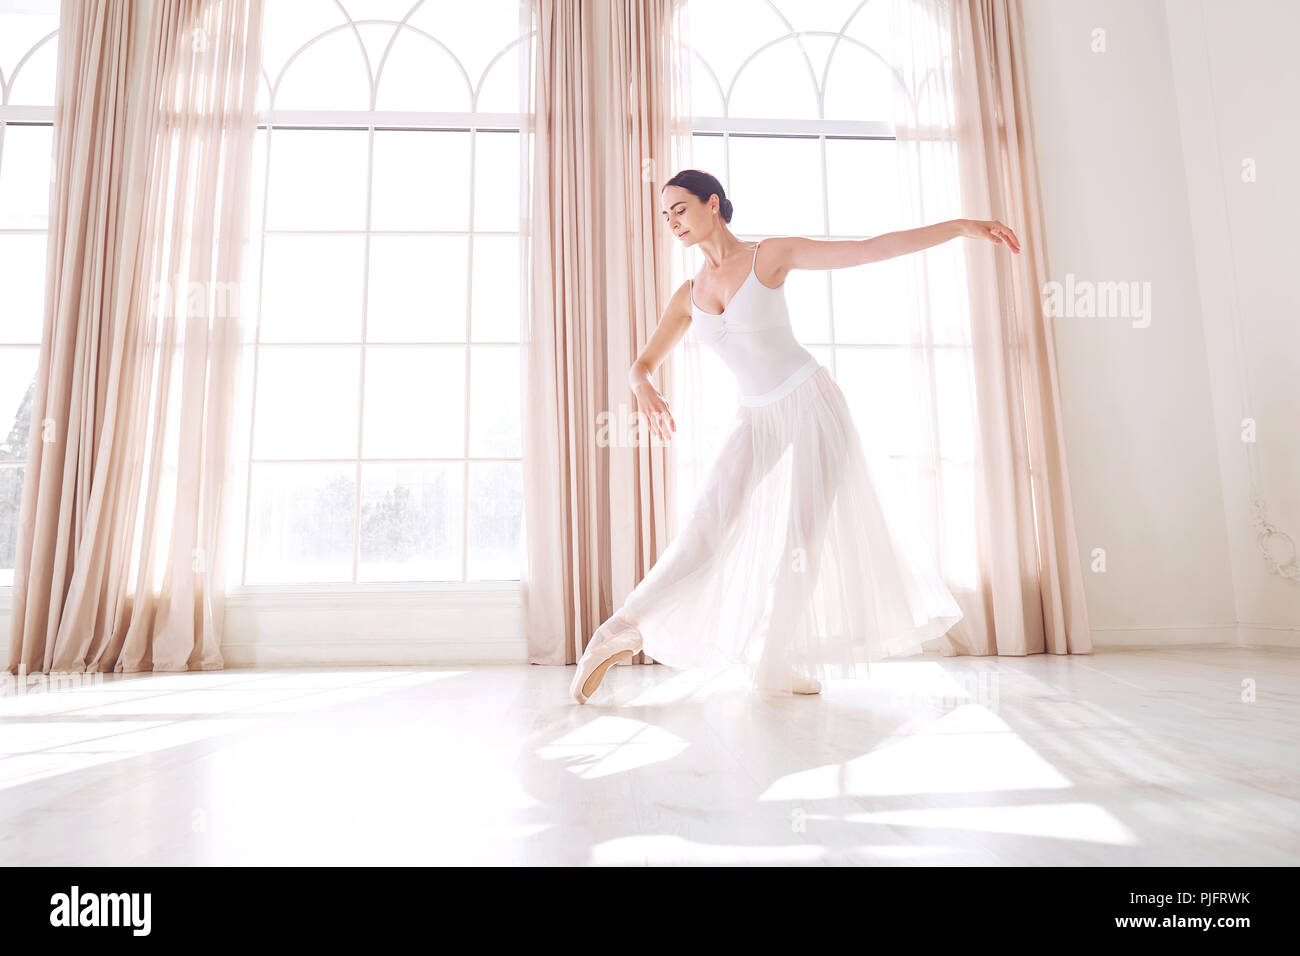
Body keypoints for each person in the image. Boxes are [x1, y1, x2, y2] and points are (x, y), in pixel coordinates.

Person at [571, 169, 1021, 704]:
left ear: (712, 204)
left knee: (801, 538)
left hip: (812, 403)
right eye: (665, 214)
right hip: (754, 417)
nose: (671, 222)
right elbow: (642, 363)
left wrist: (962, 227)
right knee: (705, 527)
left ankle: (776, 661)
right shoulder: (687, 295)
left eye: (680, 209)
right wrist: (642, 387)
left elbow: (869, 248)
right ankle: (618, 630)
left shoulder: (769, 256)